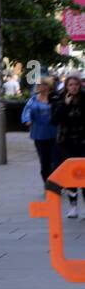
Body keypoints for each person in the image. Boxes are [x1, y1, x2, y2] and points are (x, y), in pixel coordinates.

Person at [52, 74, 85, 218]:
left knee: (84, 174)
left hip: (83, 142)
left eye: (76, 85)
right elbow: (55, 120)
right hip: (66, 143)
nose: (74, 87)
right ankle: (73, 206)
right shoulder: (59, 99)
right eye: (71, 85)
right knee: (71, 174)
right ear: (66, 86)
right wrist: (65, 105)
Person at [22, 78, 59, 190]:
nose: (39, 86)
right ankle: (47, 184)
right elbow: (27, 110)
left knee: (55, 161)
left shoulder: (55, 99)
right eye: (38, 84)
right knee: (44, 162)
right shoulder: (33, 100)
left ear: (49, 86)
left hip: (55, 135)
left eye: (42, 84)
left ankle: (55, 184)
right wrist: (27, 120)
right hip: (39, 135)